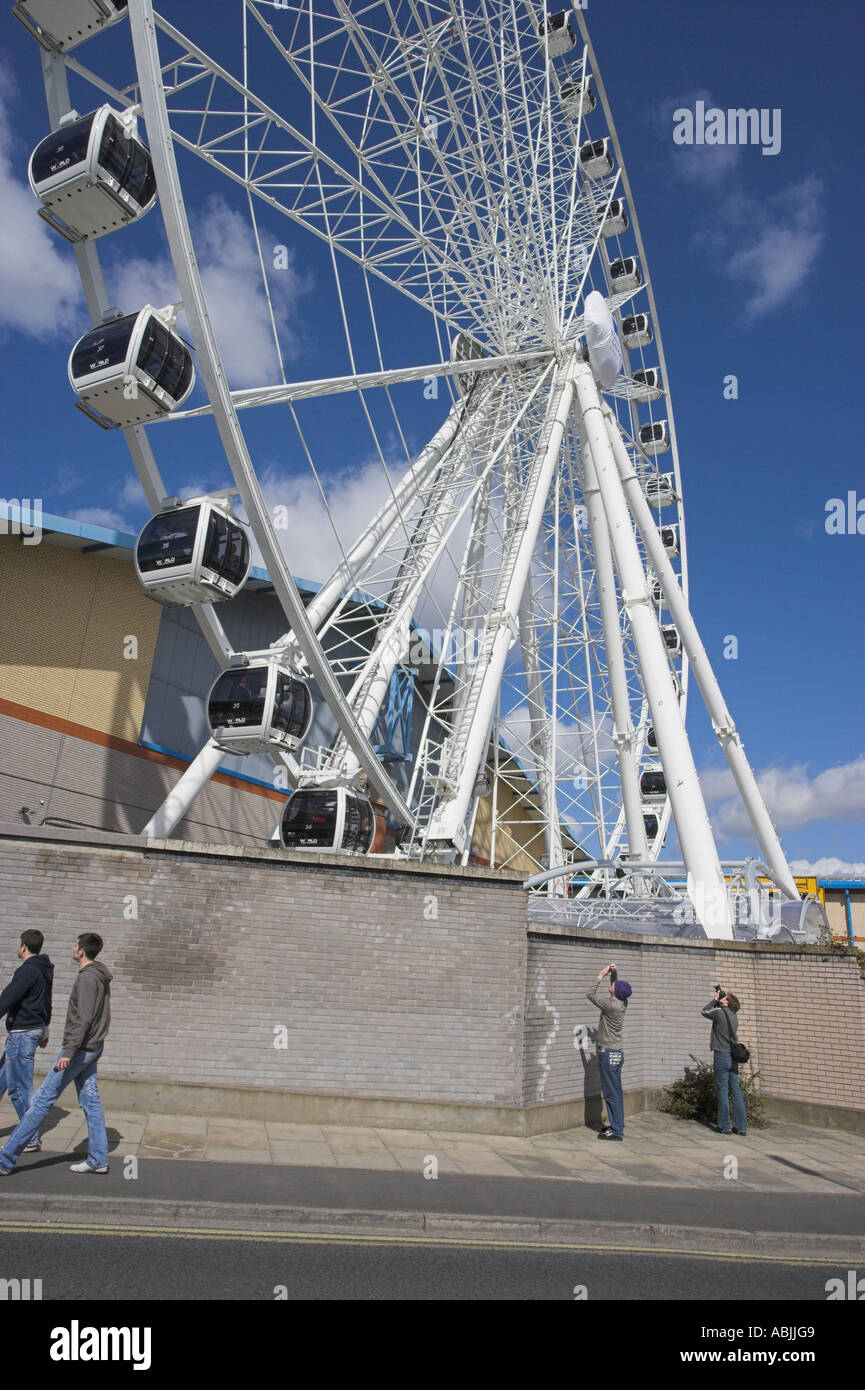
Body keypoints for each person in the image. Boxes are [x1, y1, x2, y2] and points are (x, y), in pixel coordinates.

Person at [0, 933, 112, 1176]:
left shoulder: (87, 979)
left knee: (42, 1102)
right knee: (91, 1102)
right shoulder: (100, 976)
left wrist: (69, 1052)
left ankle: (6, 1159)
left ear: (81, 951)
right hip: (92, 1047)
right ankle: (98, 1158)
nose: (72, 949)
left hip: (79, 1050)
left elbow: (83, 1019)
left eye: (74, 945)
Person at [0, 930, 54, 1153]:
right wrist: (45, 1028)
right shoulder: (43, 970)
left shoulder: (28, 970)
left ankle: (29, 1137)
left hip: (22, 1034)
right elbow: (46, 1001)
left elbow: (8, 998)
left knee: (19, 1089)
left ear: (23, 947)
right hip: (30, 1030)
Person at [586, 962, 633, 1141]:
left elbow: (589, 994)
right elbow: (618, 988)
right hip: (617, 1053)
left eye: (613, 985)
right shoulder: (622, 1003)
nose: (612, 984)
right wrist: (614, 974)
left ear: (614, 992)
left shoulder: (610, 1006)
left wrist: (601, 974)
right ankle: (618, 1124)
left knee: (610, 1093)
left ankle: (616, 1130)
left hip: (608, 1052)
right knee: (616, 1092)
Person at [702, 984, 747, 1137]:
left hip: (722, 1055)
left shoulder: (720, 1013)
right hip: (733, 1057)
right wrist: (721, 999)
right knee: (735, 1091)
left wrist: (715, 1000)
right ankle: (741, 1126)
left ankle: (724, 1125)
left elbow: (705, 1011)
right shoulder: (734, 1016)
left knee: (722, 1090)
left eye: (725, 998)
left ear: (727, 1003)